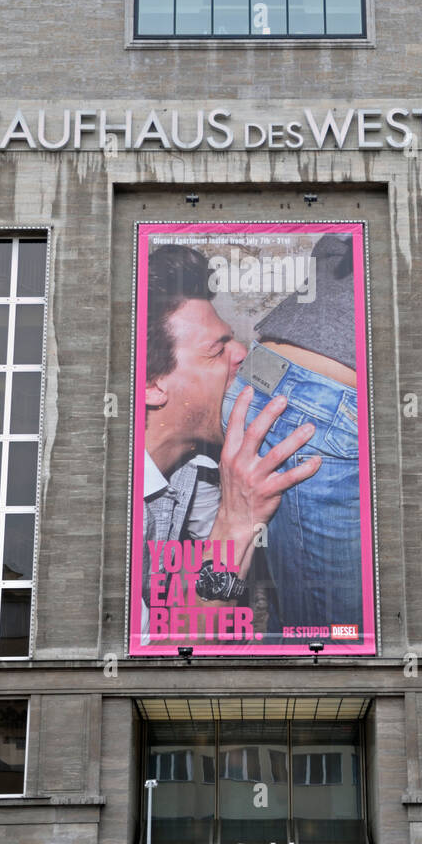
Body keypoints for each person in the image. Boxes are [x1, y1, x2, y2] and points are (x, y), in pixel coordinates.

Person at [140, 244, 322, 640]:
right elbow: (170, 656)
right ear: (153, 384)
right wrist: (238, 519)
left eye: (232, 340)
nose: (241, 352)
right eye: (217, 350)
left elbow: (208, 594)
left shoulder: (196, 465)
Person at [221, 233, 363, 639]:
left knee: (300, 621)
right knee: (336, 639)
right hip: (317, 407)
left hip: (268, 378)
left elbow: (330, 249)